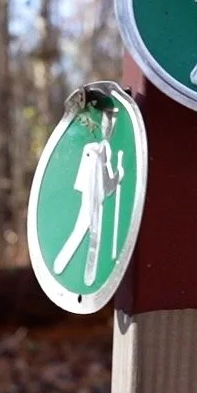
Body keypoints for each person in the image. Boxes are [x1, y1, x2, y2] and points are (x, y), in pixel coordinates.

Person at [51, 113, 123, 286]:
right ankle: (61, 266)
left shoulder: (104, 150)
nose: (107, 128)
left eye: (110, 125)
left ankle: (86, 276)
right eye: (106, 124)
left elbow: (106, 185)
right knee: (84, 231)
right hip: (89, 197)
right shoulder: (92, 148)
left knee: (93, 235)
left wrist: (118, 174)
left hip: (96, 198)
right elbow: (90, 178)